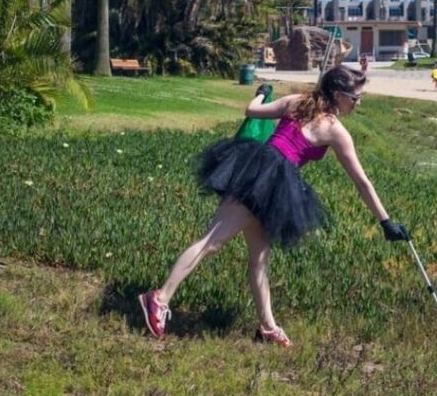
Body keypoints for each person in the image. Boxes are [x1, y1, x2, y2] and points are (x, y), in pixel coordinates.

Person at [138, 67, 411, 347]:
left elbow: (252, 109)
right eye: (356, 98)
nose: (358, 104)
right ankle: (159, 299)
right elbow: (362, 182)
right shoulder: (334, 130)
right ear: (339, 95)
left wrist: (261, 93)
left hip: (264, 179)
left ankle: (268, 327)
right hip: (262, 180)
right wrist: (385, 221)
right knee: (212, 242)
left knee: (259, 260)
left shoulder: (296, 101)